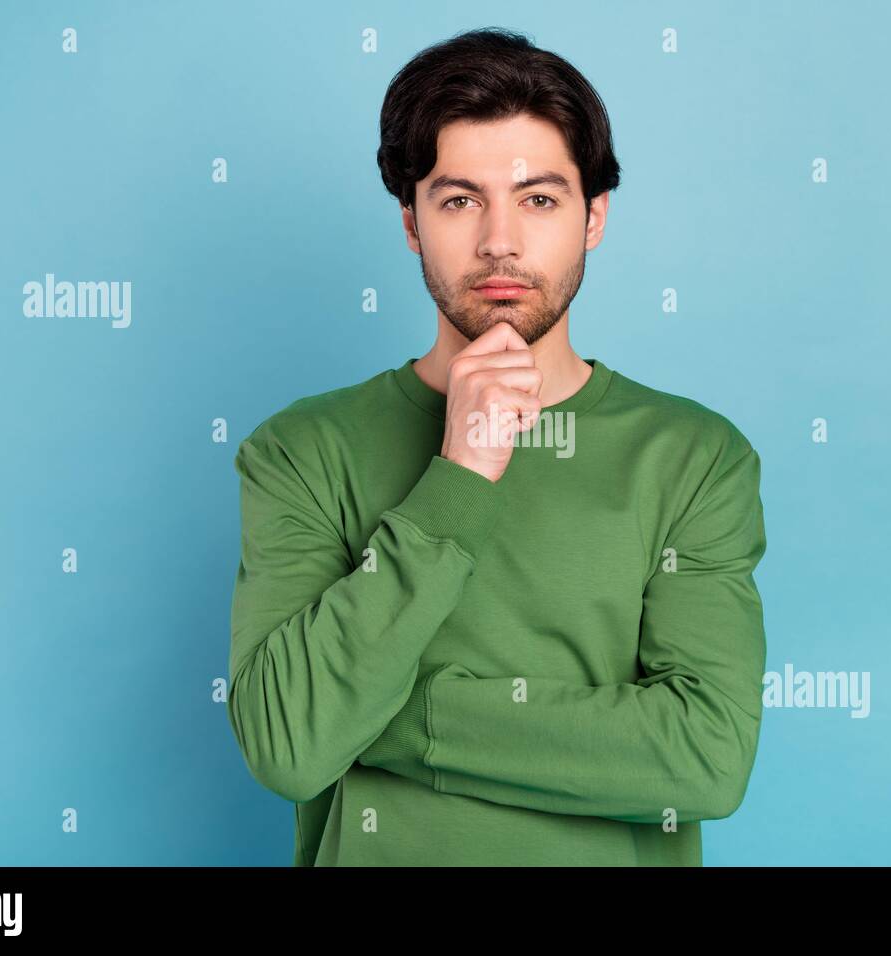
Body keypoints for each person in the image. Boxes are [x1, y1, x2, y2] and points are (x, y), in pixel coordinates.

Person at [227, 27, 768, 866]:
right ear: (411, 222)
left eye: (540, 200)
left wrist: (391, 715)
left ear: (594, 217)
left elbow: (706, 759)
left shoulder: (695, 458)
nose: (500, 243)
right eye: (459, 200)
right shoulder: (301, 451)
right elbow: (290, 746)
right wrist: (461, 473)